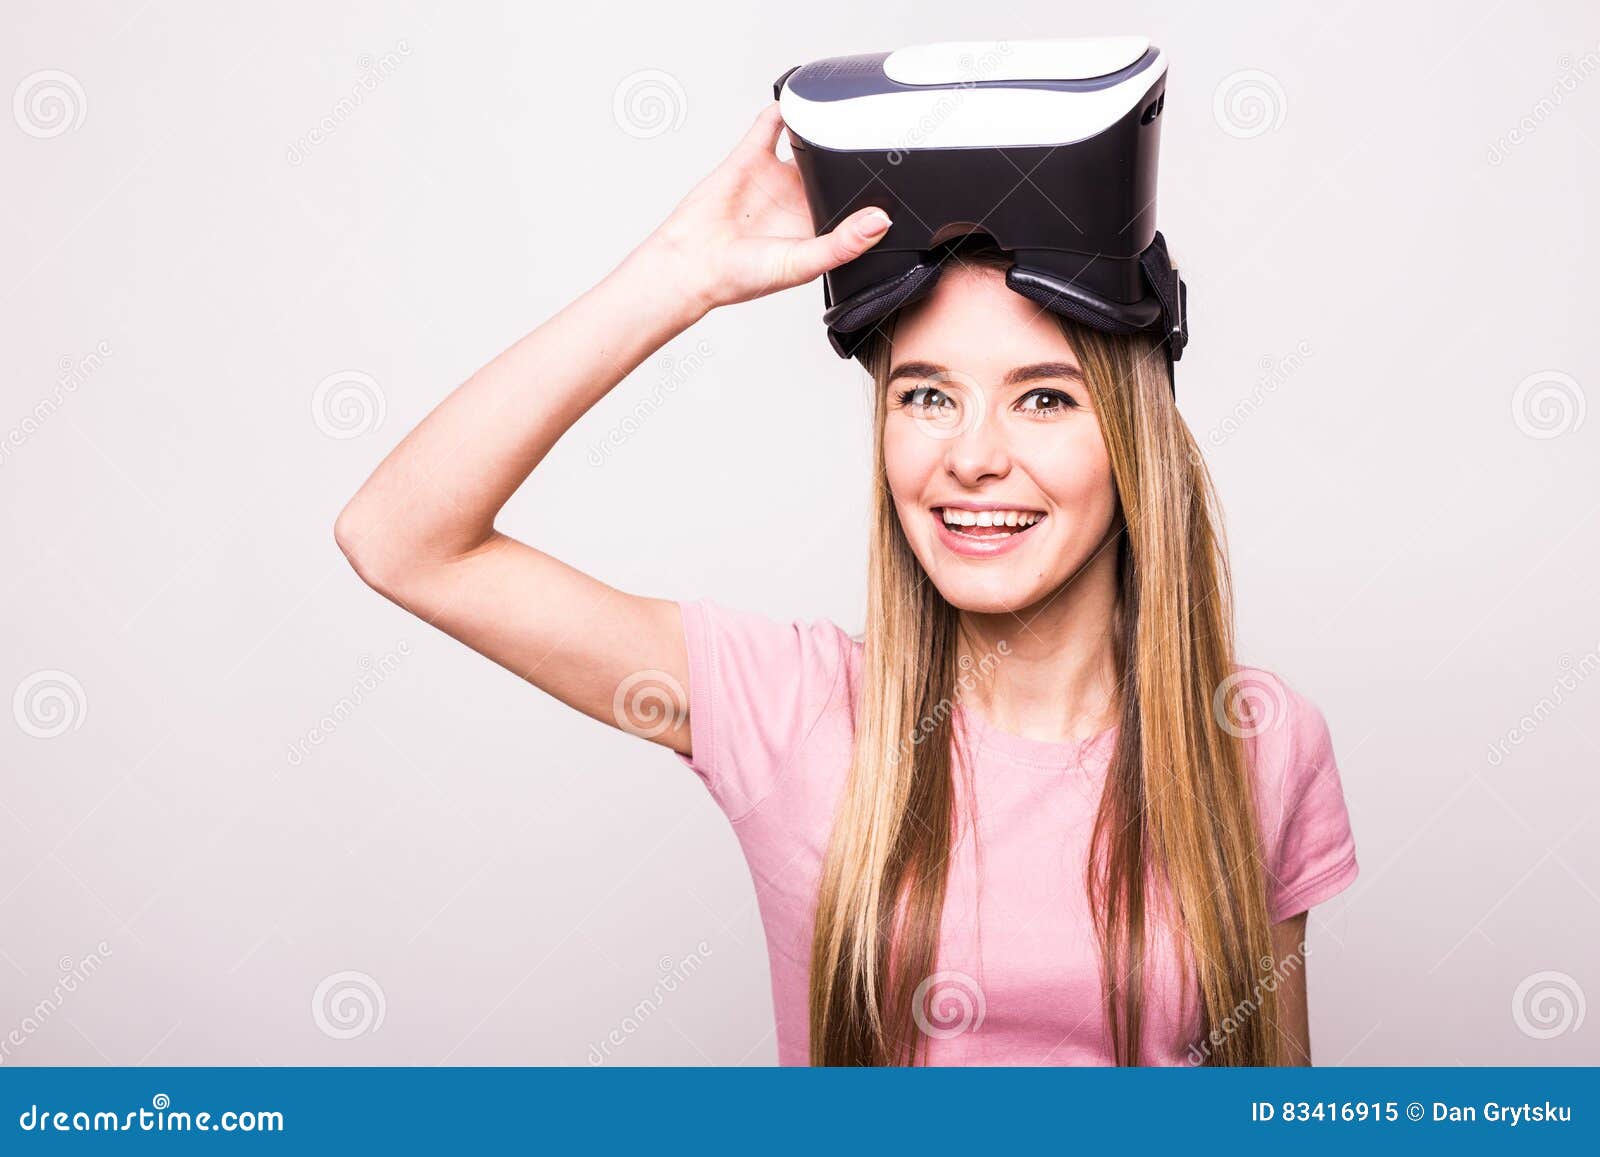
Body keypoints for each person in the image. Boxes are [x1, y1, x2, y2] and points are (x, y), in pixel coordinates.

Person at [334, 102, 1359, 1067]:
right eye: (926, 395)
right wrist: (679, 275)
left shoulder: (1258, 736)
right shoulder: (792, 706)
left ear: (1130, 441)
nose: (972, 455)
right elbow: (402, 539)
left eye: (1042, 397)